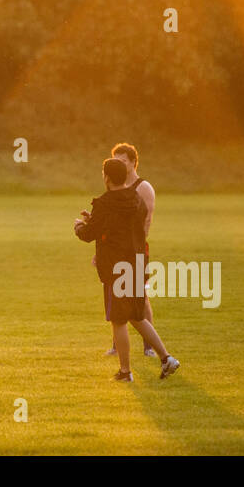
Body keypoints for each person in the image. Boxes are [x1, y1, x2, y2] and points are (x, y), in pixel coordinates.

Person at [74, 157, 180, 383]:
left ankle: (125, 372)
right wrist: (96, 222)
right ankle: (166, 358)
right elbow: (122, 228)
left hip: (116, 267)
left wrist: (80, 226)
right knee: (137, 316)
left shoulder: (105, 202)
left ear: (107, 177)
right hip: (137, 263)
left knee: (119, 320)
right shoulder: (137, 199)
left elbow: (89, 234)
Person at [105, 143, 155, 358]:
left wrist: (135, 249)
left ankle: (149, 347)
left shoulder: (143, 187)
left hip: (135, 250)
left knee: (140, 298)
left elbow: (146, 222)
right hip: (117, 251)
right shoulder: (117, 185)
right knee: (115, 297)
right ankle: (117, 345)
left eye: (123, 160)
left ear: (134, 162)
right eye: (117, 160)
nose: (120, 164)